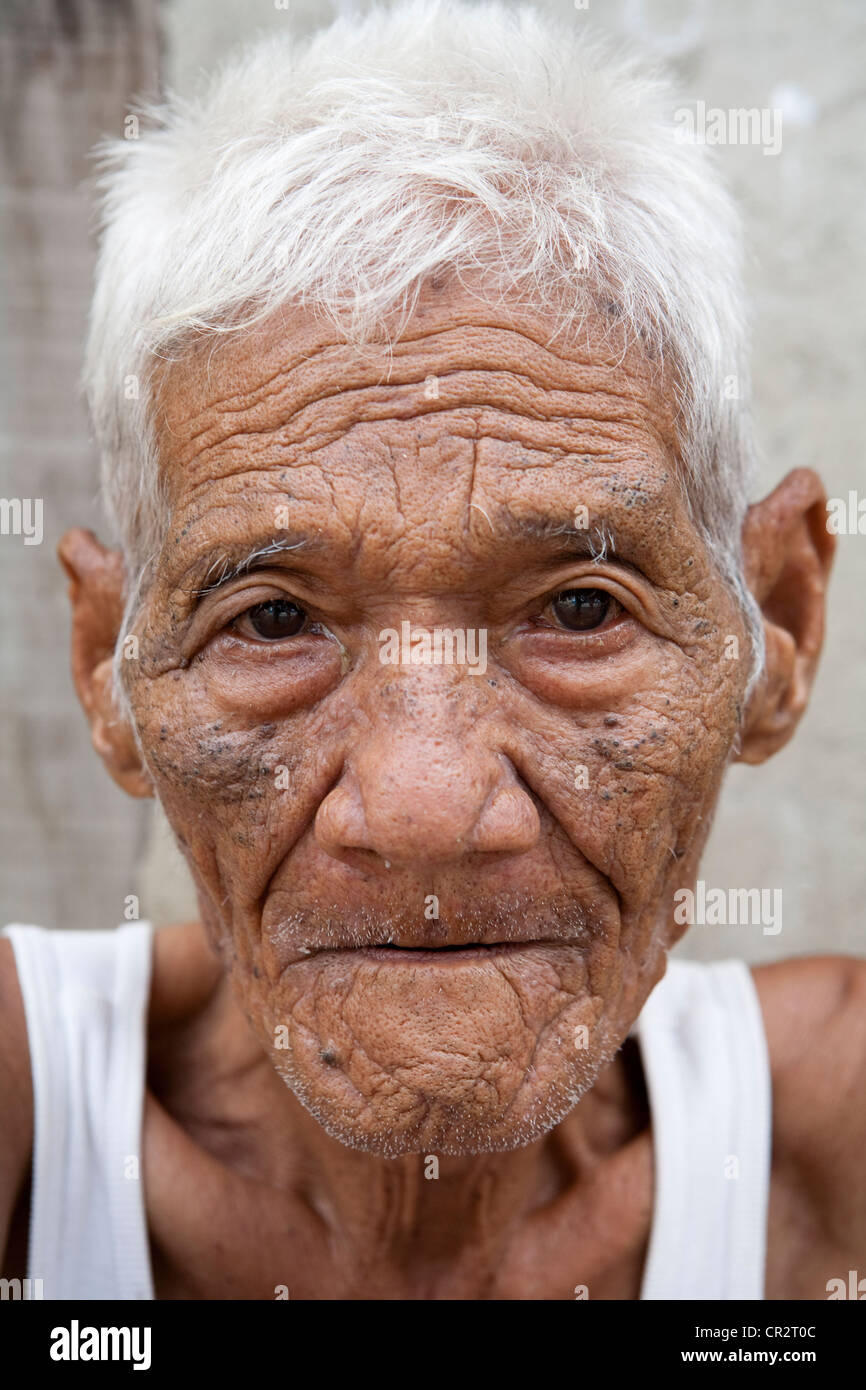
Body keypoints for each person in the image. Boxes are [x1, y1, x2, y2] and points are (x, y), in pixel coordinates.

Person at [1, 0, 862, 1300]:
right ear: (109, 672)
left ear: (774, 625)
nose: (422, 809)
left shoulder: (828, 1140)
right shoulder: (31, 1102)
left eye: (577, 609)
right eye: (273, 620)